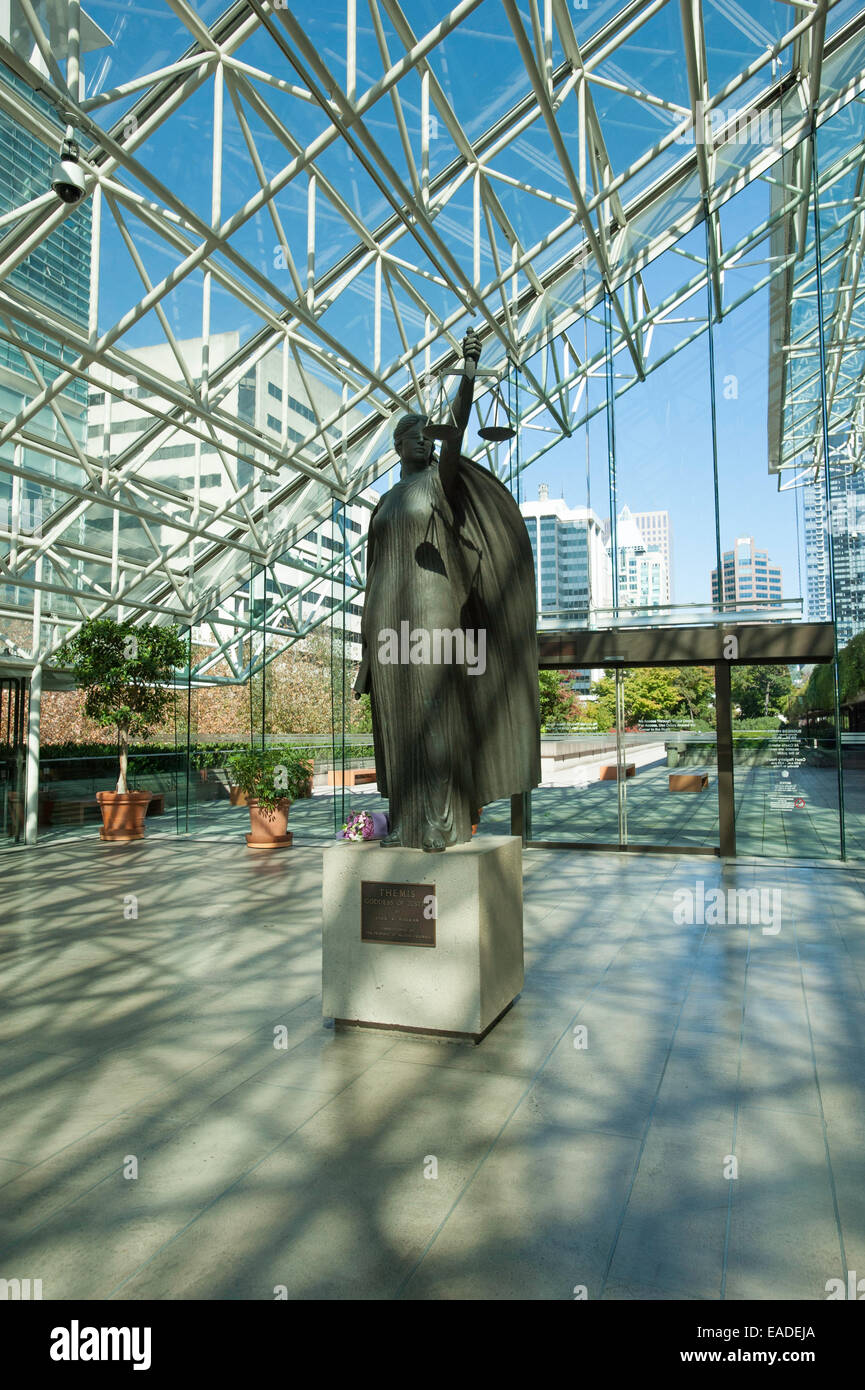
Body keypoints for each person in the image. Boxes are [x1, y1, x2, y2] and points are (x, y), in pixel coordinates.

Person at [355, 328, 540, 851]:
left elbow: (456, 434)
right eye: (414, 433)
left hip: (435, 610)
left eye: (426, 433)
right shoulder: (384, 503)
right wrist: (367, 650)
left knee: (436, 711)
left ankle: (444, 822)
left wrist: (468, 371)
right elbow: (370, 577)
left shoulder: (439, 484)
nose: (424, 439)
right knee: (400, 722)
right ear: (398, 445)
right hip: (389, 616)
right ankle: (409, 824)